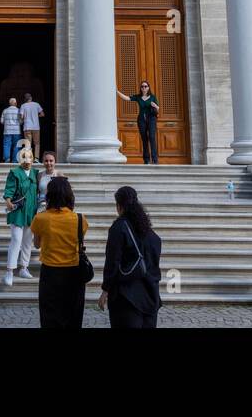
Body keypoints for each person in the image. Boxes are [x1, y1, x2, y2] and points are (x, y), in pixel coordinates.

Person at [30, 175, 90, 329]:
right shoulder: (80, 219)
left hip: (50, 272)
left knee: (50, 316)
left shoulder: (40, 218)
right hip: (74, 271)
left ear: (50, 195)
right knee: (73, 315)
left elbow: (36, 244)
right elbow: (79, 240)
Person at [98, 186, 163, 328]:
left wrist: (105, 289)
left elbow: (112, 262)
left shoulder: (119, 227)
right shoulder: (147, 230)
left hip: (126, 297)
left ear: (119, 206)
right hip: (149, 294)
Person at [1, 144, 38, 286]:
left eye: (30, 158)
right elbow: (9, 188)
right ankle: (9, 271)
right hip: (18, 210)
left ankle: (24, 267)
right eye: (24, 158)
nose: (27, 162)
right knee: (16, 239)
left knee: (28, 241)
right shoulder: (15, 172)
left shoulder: (36, 173)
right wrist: (8, 201)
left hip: (31, 210)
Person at [116, 80, 160, 164]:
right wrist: (117, 92)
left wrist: (155, 106)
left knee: (151, 137)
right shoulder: (138, 97)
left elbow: (158, 108)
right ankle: (146, 160)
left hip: (151, 119)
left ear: (148, 88)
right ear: (140, 88)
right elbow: (127, 98)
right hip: (141, 120)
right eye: (142, 86)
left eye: (145, 86)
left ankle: (155, 159)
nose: (144, 88)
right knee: (144, 139)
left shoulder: (152, 97)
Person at [19, 93, 44, 161]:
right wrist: (36, 116)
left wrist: (21, 121)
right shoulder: (36, 104)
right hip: (36, 127)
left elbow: (21, 117)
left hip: (27, 127)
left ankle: (28, 158)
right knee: (37, 143)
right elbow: (42, 114)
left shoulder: (23, 106)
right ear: (31, 98)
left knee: (28, 144)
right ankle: (36, 158)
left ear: (25, 99)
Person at [0, 96, 23, 163]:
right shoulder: (19, 110)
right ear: (16, 103)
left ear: (9, 103)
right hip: (16, 131)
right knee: (16, 145)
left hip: (7, 131)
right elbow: (21, 122)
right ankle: (15, 160)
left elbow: (1, 121)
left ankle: (7, 159)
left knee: (7, 145)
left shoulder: (5, 110)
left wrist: (7, 122)